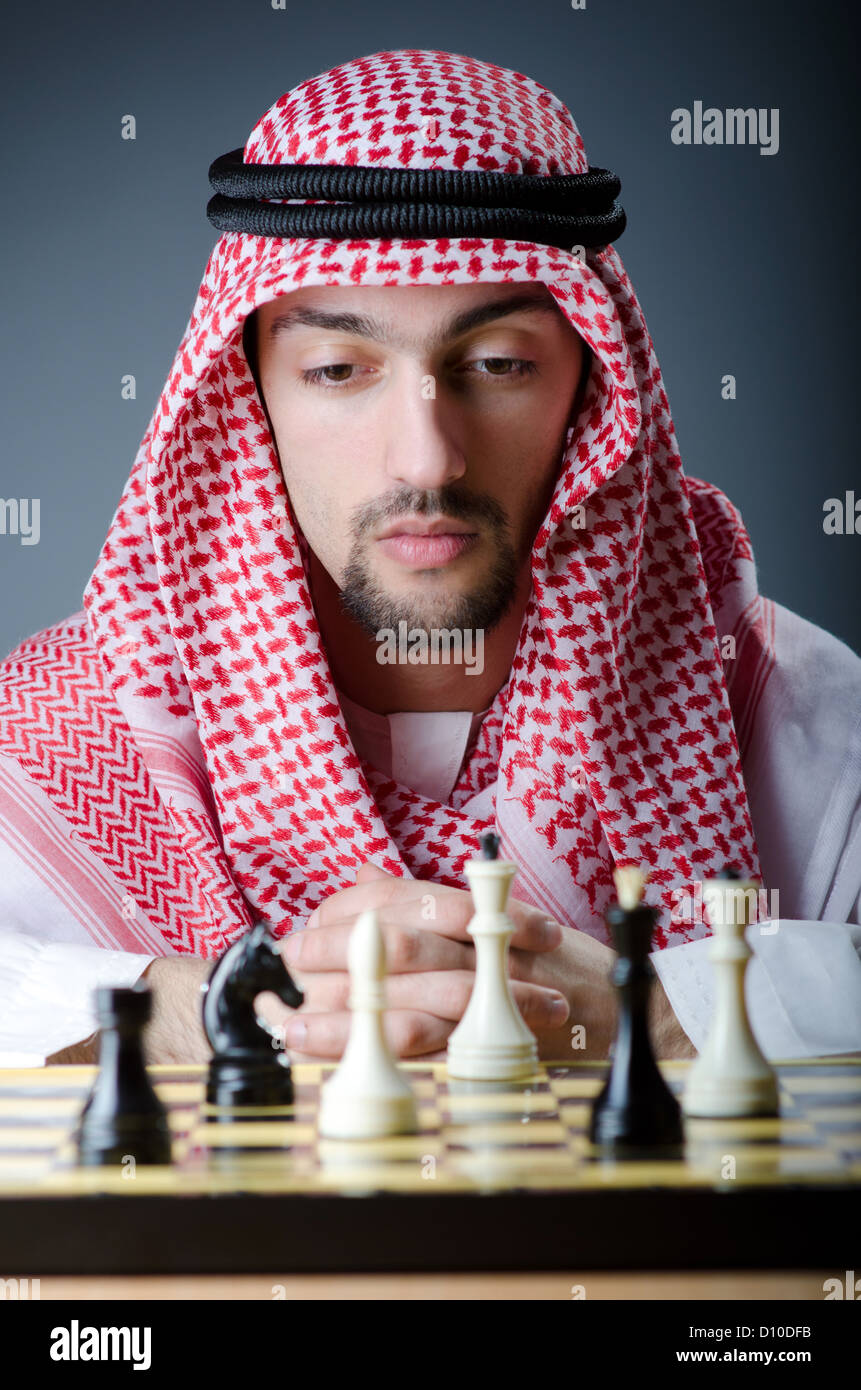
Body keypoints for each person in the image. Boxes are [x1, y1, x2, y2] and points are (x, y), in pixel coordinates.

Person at [0, 49, 858, 1069]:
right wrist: (196, 1009)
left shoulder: (786, 709)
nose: (428, 457)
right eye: (336, 369)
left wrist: (659, 1011)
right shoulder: (70, 733)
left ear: (591, 388)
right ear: (247, 398)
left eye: (497, 365)